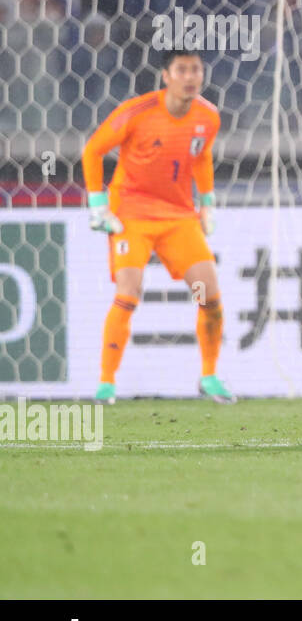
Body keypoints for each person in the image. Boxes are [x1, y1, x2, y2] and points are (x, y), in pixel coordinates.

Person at [81, 49, 231, 405]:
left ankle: (208, 376)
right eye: (182, 69)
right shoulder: (138, 111)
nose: (191, 76)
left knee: (207, 295)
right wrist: (97, 205)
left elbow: (202, 156)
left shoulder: (207, 117)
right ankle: (106, 384)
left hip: (178, 217)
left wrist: (206, 202)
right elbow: (93, 151)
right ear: (166, 76)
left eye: (196, 69)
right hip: (130, 214)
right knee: (128, 293)